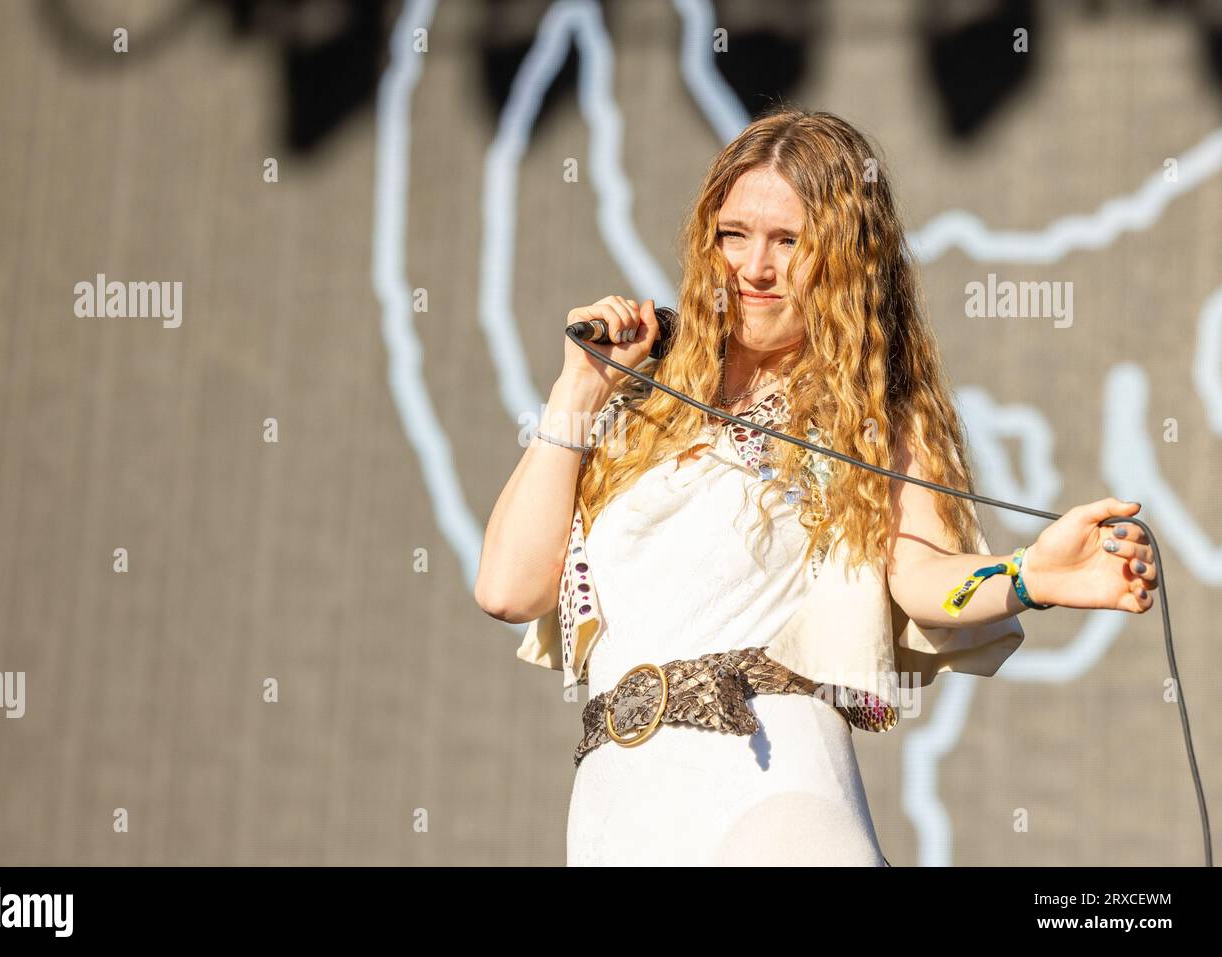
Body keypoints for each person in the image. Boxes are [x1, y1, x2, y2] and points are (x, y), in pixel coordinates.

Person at [473, 107, 1158, 866]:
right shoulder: (635, 404)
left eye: (789, 242)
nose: (754, 268)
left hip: (776, 804)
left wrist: (1029, 576)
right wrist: (577, 392)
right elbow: (507, 589)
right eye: (734, 234)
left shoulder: (874, 415)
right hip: (619, 816)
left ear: (842, 258)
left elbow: (926, 576)